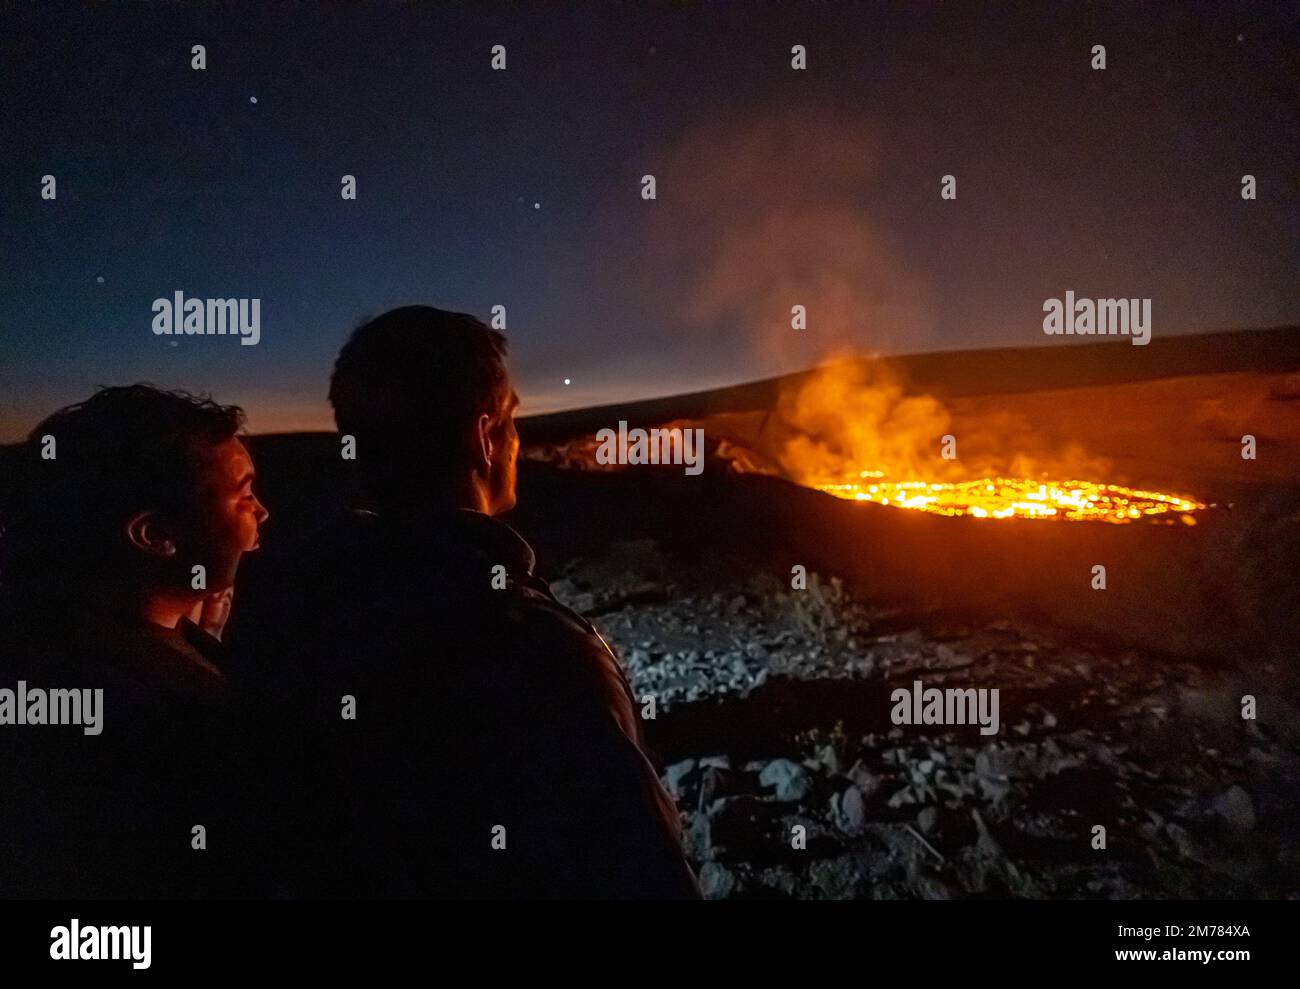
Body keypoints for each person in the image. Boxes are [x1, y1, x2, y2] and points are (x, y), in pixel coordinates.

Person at [232, 306, 700, 898]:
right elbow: (641, 874)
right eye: (510, 422)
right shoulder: (534, 648)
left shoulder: (287, 607)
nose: (515, 442)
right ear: (484, 437)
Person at [0, 385, 269, 897]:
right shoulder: (136, 717)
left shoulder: (80, 633)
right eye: (244, 495)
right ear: (153, 535)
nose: (262, 514)